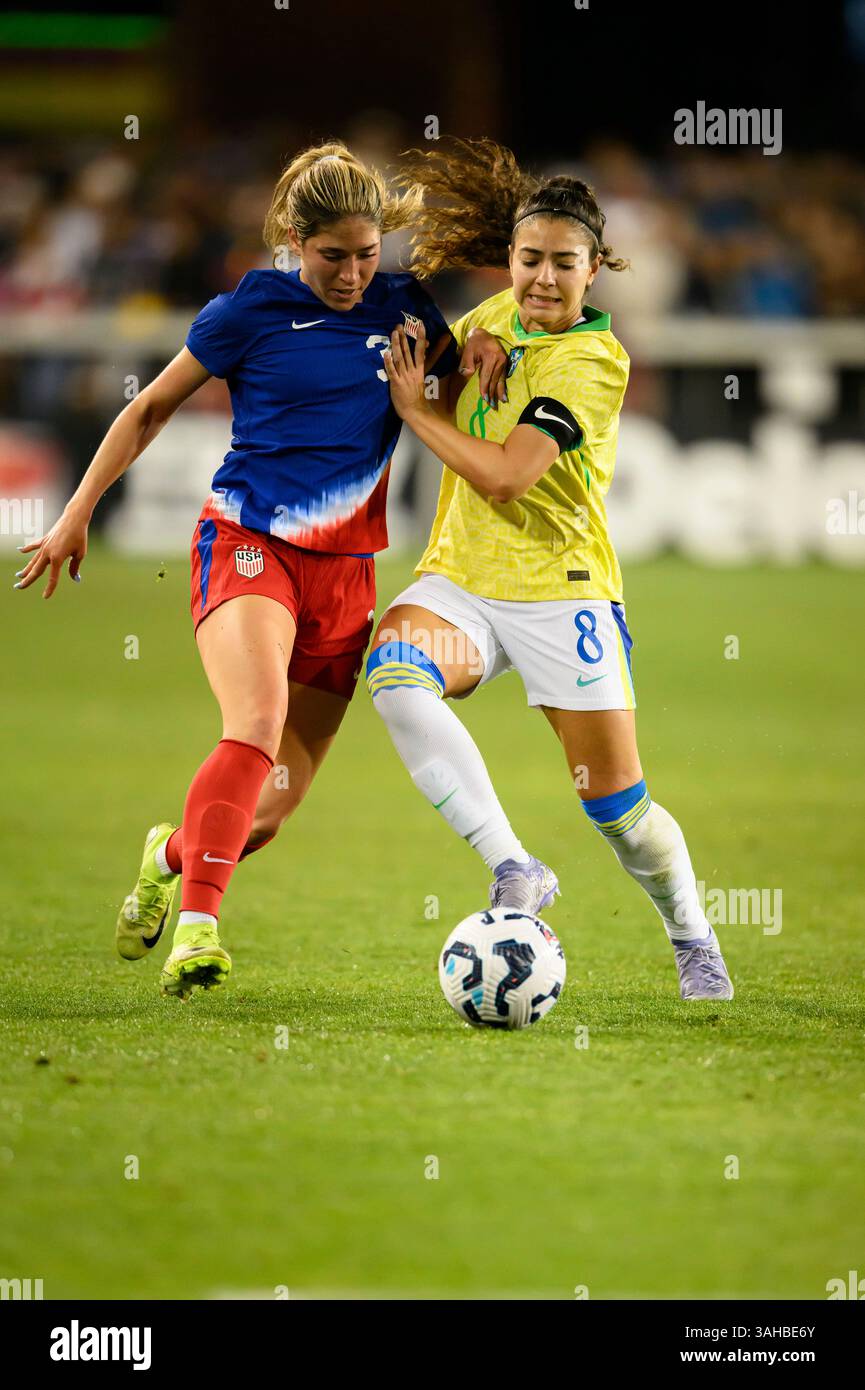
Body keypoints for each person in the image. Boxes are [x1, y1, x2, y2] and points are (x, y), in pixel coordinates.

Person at [14, 141, 506, 1002]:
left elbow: (466, 370)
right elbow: (150, 406)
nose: (353, 273)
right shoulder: (247, 311)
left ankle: (171, 858)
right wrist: (77, 509)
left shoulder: (405, 311)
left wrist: (491, 345)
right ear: (291, 235)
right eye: (333, 256)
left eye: (365, 254)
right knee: (255, 718)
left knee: (267, 810)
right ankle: (199, 932)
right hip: (249, 546)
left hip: (347, 578)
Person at [366, 138, 733, 1001]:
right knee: (393, 672)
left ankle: (691, 933)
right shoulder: (494, 315)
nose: (539, 279)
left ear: (594, 270)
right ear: (511, 258)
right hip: (459, 577)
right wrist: (458, 363)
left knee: (619, 814)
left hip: (560, 590)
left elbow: (504, 474)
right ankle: (513, 868)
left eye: (562, 264)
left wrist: (420, 413)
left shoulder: (593, 362)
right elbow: (427, 358)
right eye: (528, 260)